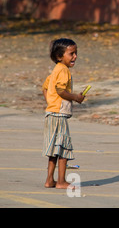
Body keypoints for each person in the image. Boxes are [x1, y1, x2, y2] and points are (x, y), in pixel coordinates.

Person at [42, 38, 85, 189]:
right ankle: (61, 181)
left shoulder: (55, 71)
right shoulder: (64, 71)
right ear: (60, 56)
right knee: (63, 149)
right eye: (71, 53)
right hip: (58, 115)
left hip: (51, 114)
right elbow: (61, 91)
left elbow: (45, 88)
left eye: (76, 53)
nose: (75, 57)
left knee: (53, 150)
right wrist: (76, 98)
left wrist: (50, 103)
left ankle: (49, 180)